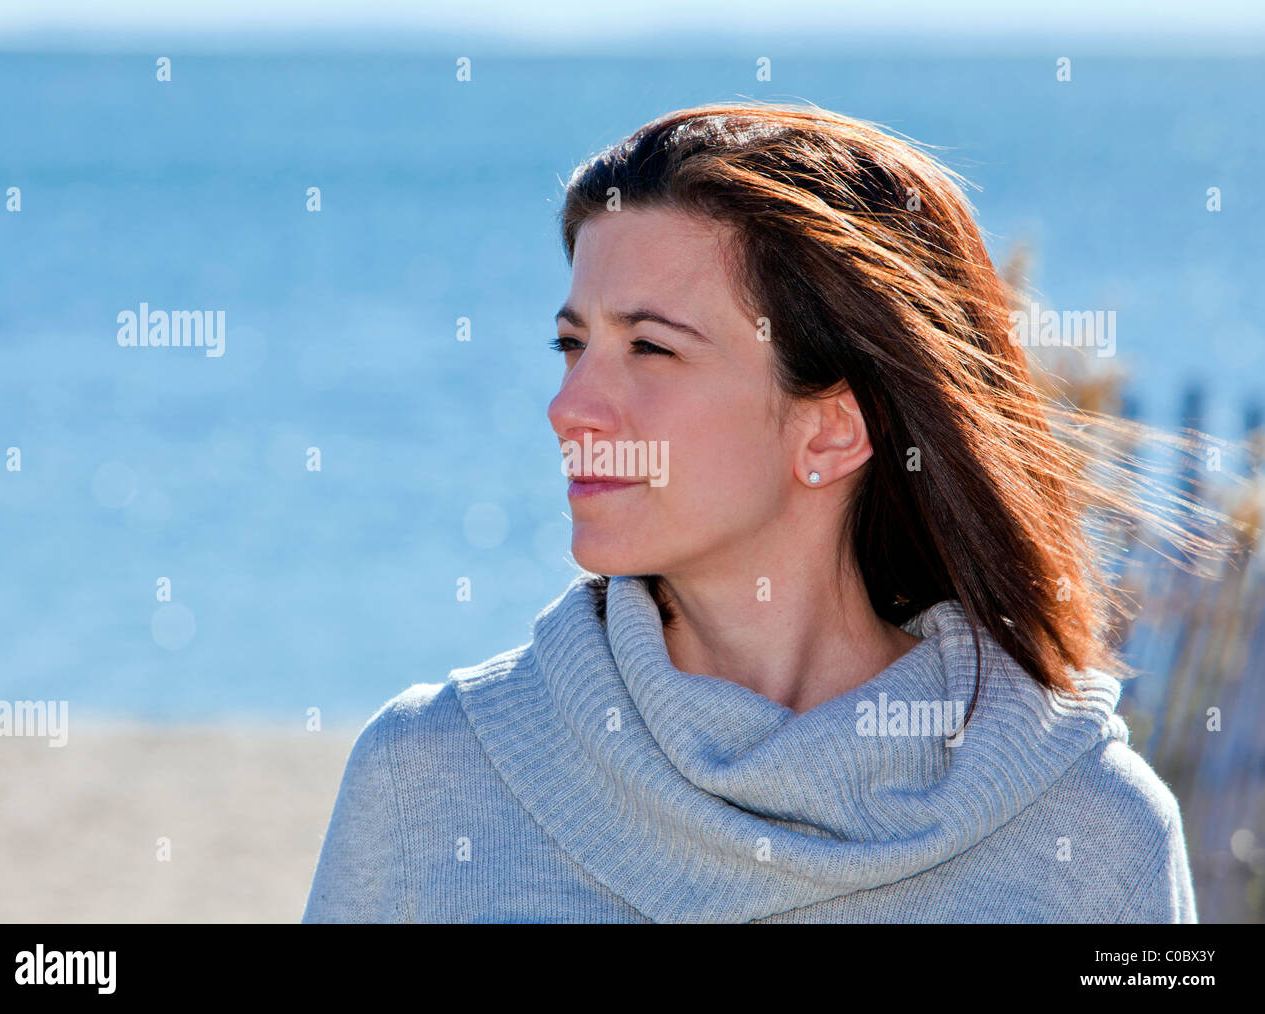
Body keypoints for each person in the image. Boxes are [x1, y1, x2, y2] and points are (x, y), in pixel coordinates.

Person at [303, 101, 1235, 923]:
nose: (569, 406)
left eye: (650, 349)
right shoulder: (429, 777)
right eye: (572, 344)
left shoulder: (1090, 835)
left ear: (830, 433)